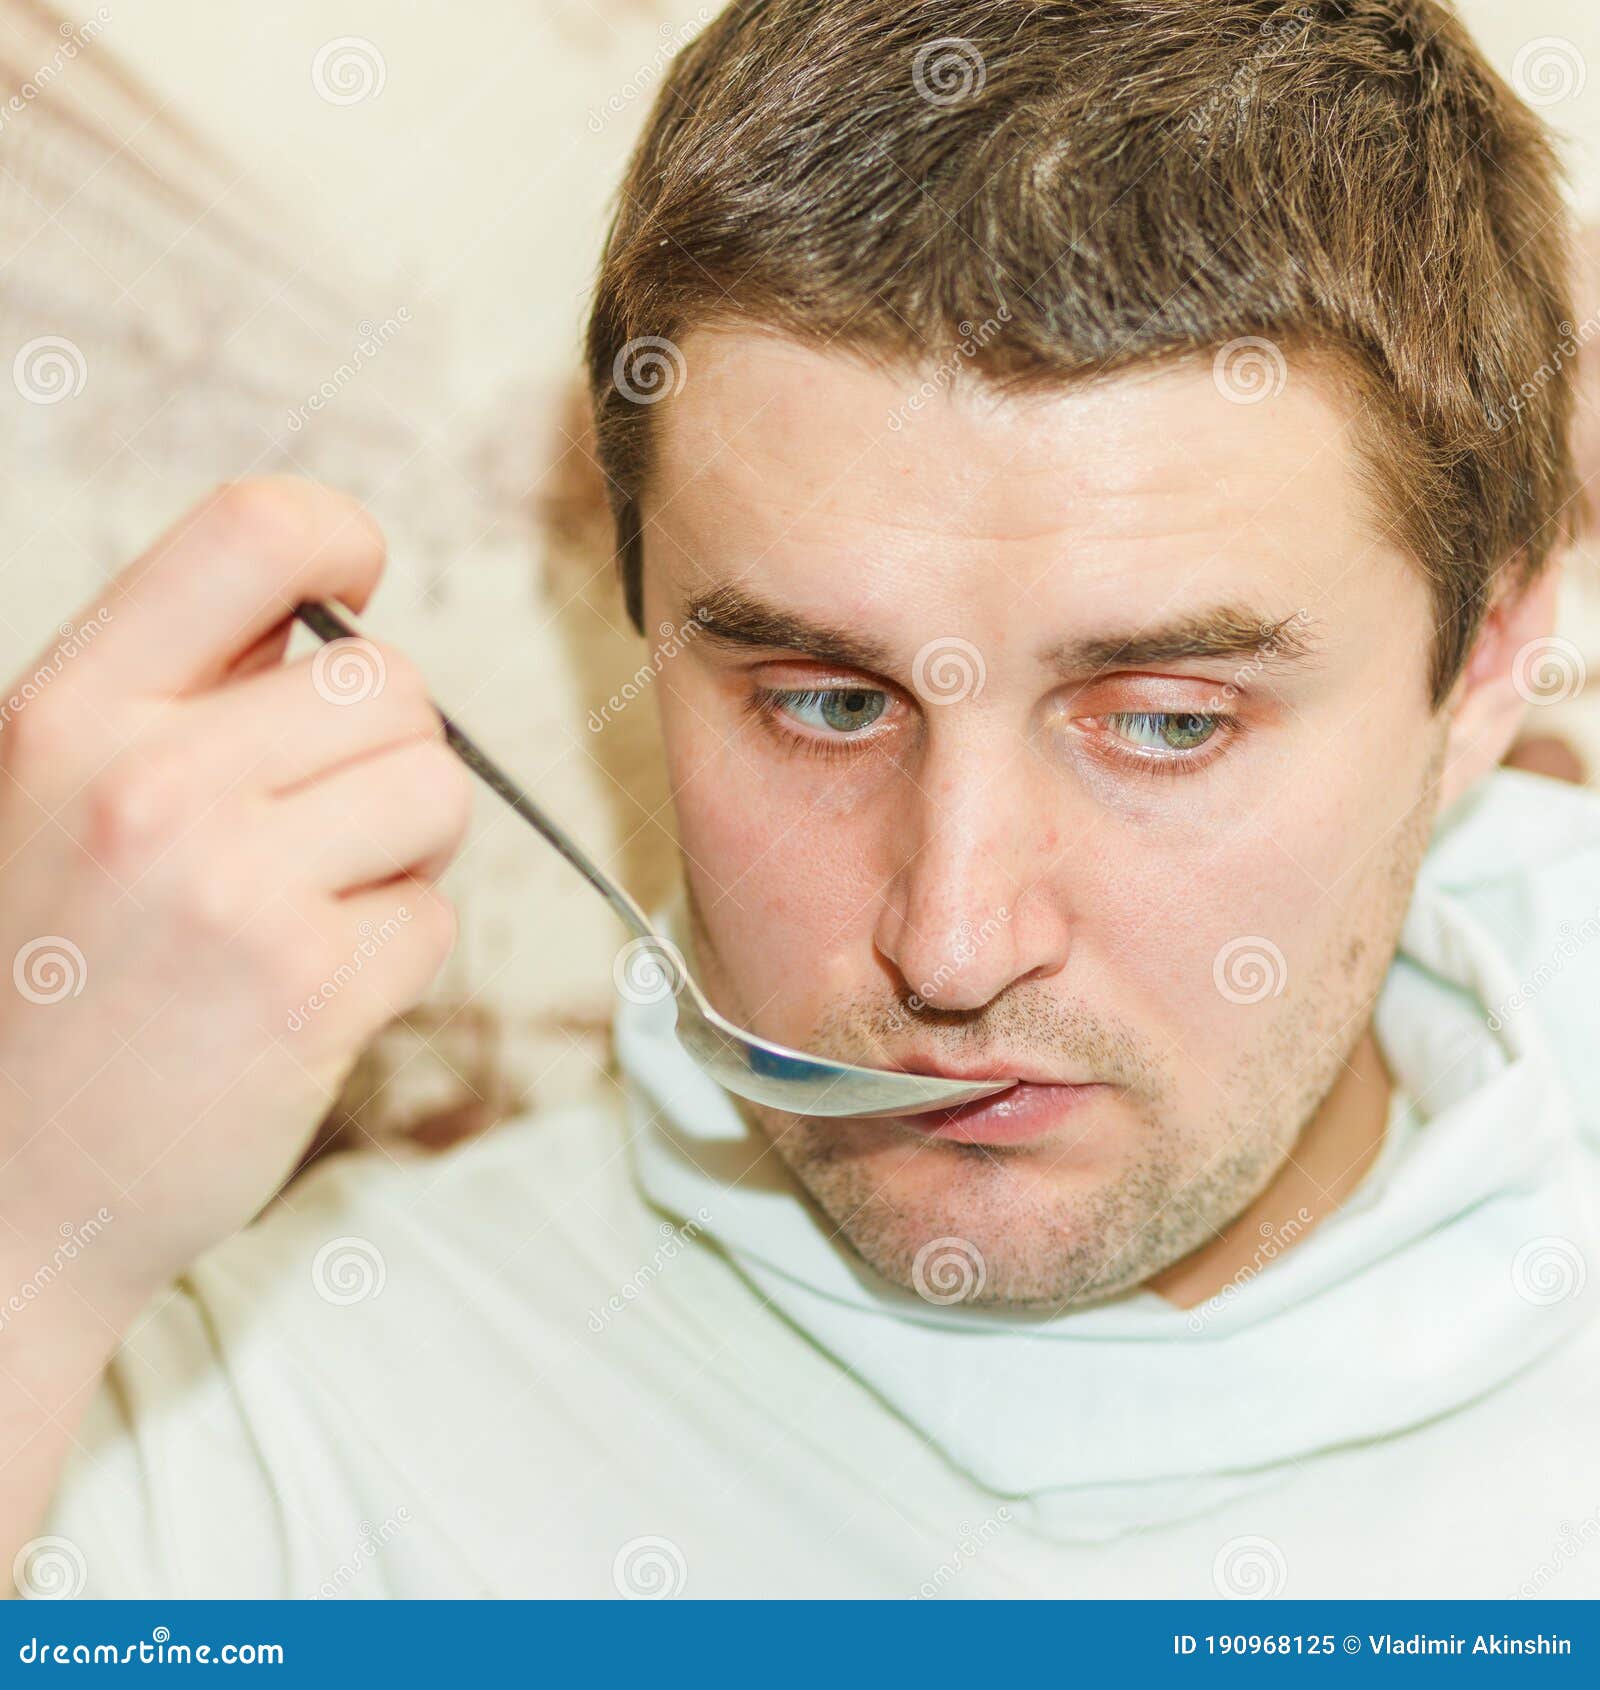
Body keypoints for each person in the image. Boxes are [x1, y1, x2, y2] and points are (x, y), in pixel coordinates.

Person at [4, 0, 1597, 1599]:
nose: (953, 948)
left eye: (1168, 723)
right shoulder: (273, 1424)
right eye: (827, 703)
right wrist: (29, 1214)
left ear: (1483, 669)